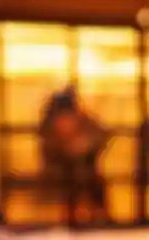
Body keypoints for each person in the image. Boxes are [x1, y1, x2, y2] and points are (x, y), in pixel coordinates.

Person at [38, 86, 109, 226]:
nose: (66, 123)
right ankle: (75, 218)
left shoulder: (87, 125)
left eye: (68, 118)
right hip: (64, 176)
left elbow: (100, 137)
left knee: (93, 189)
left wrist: (85, 145)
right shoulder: (51, 135)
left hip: (85, 174)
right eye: (62, 118)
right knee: (71, 187)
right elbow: (50, 152)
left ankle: (97, 218)